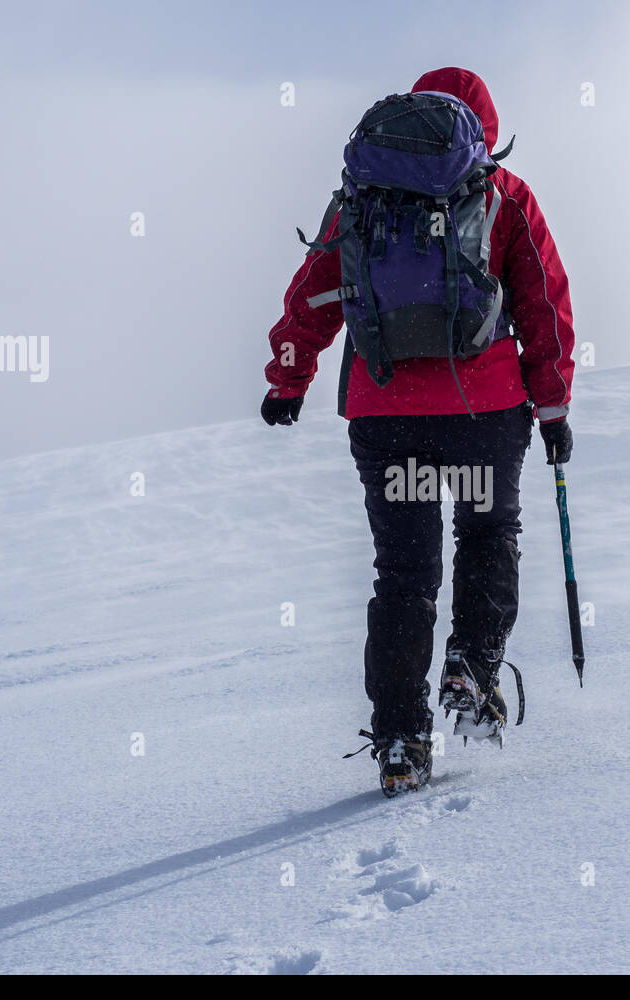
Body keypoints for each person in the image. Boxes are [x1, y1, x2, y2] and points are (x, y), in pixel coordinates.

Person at [262, 67, 575, 795]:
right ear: (483, 129)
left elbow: (314, 293)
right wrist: (554, 411)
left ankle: (401, 738)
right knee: (487, 534)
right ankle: (471, 666)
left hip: (385, 416)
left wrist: (288, 379)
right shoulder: (503, 194)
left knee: (403, 573)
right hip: (485, 416)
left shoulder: (364, 197)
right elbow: (544, 308)